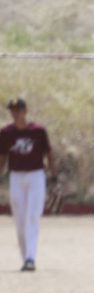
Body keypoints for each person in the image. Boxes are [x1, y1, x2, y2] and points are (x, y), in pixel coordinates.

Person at [0, 98, 56, 272]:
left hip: (36, 176)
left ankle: (31, 257)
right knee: (19, 218)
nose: (16, 114)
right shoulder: (6, 132)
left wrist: (54, 178)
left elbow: (49, 154)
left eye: (19, 110)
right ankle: (25, 257)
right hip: (16, 176)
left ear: (25, 111)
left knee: (32, 216)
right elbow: (2, 158)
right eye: (13, 111)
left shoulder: (38, 131)